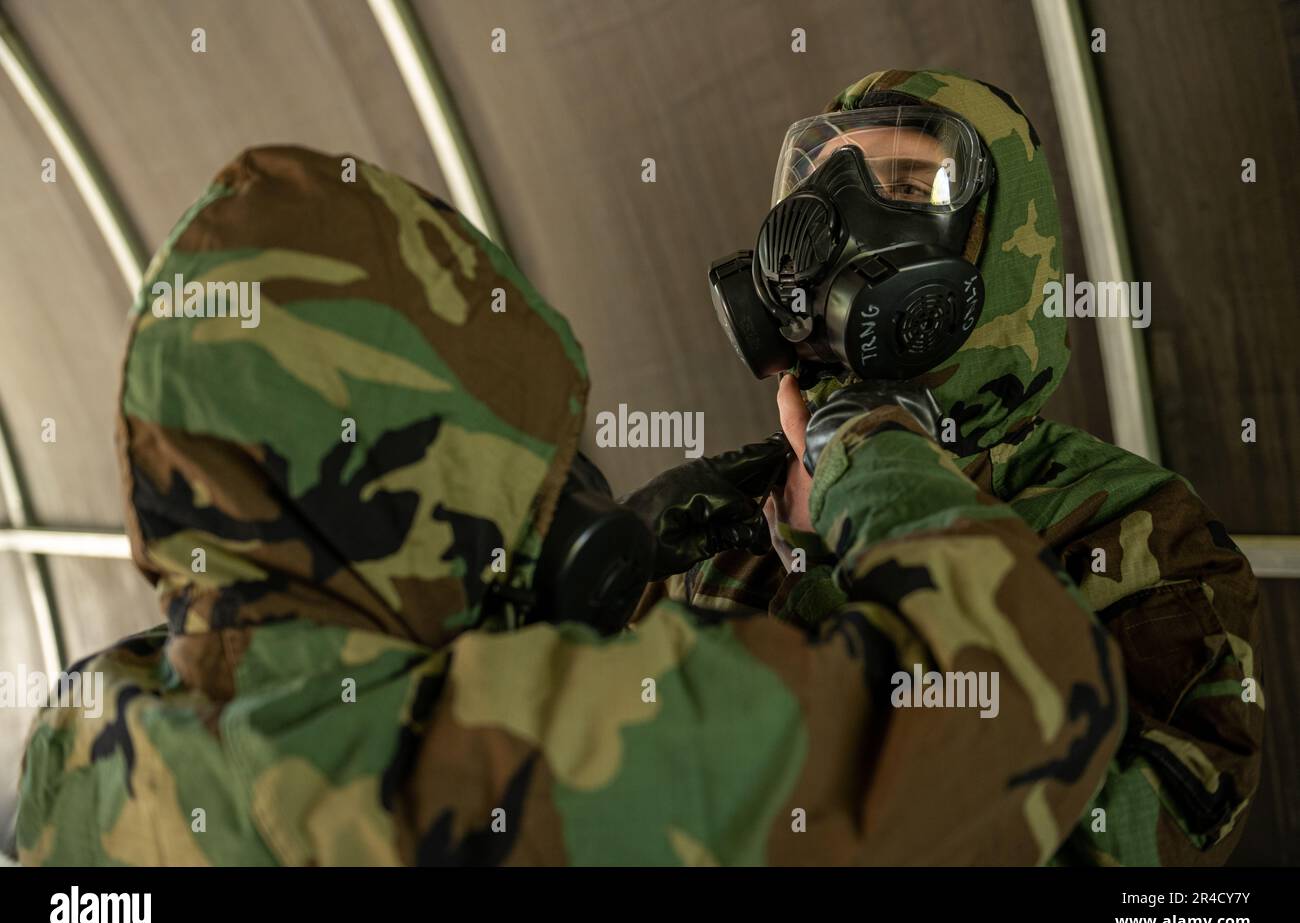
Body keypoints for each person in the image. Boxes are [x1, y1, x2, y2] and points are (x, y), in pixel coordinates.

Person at [16, 131, 1122, 867]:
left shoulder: (80, 733)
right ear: (416, 469)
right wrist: (868, 446)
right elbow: (1017, 686)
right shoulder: (492, 758)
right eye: (527, 469)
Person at [654, 68, 1265, 865]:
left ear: (997, 244)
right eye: (824, 183)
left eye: (908, 182)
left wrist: (869, 476)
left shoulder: (1137, 530)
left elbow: (1135, 858)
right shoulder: (707, 525)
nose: (839, 221)